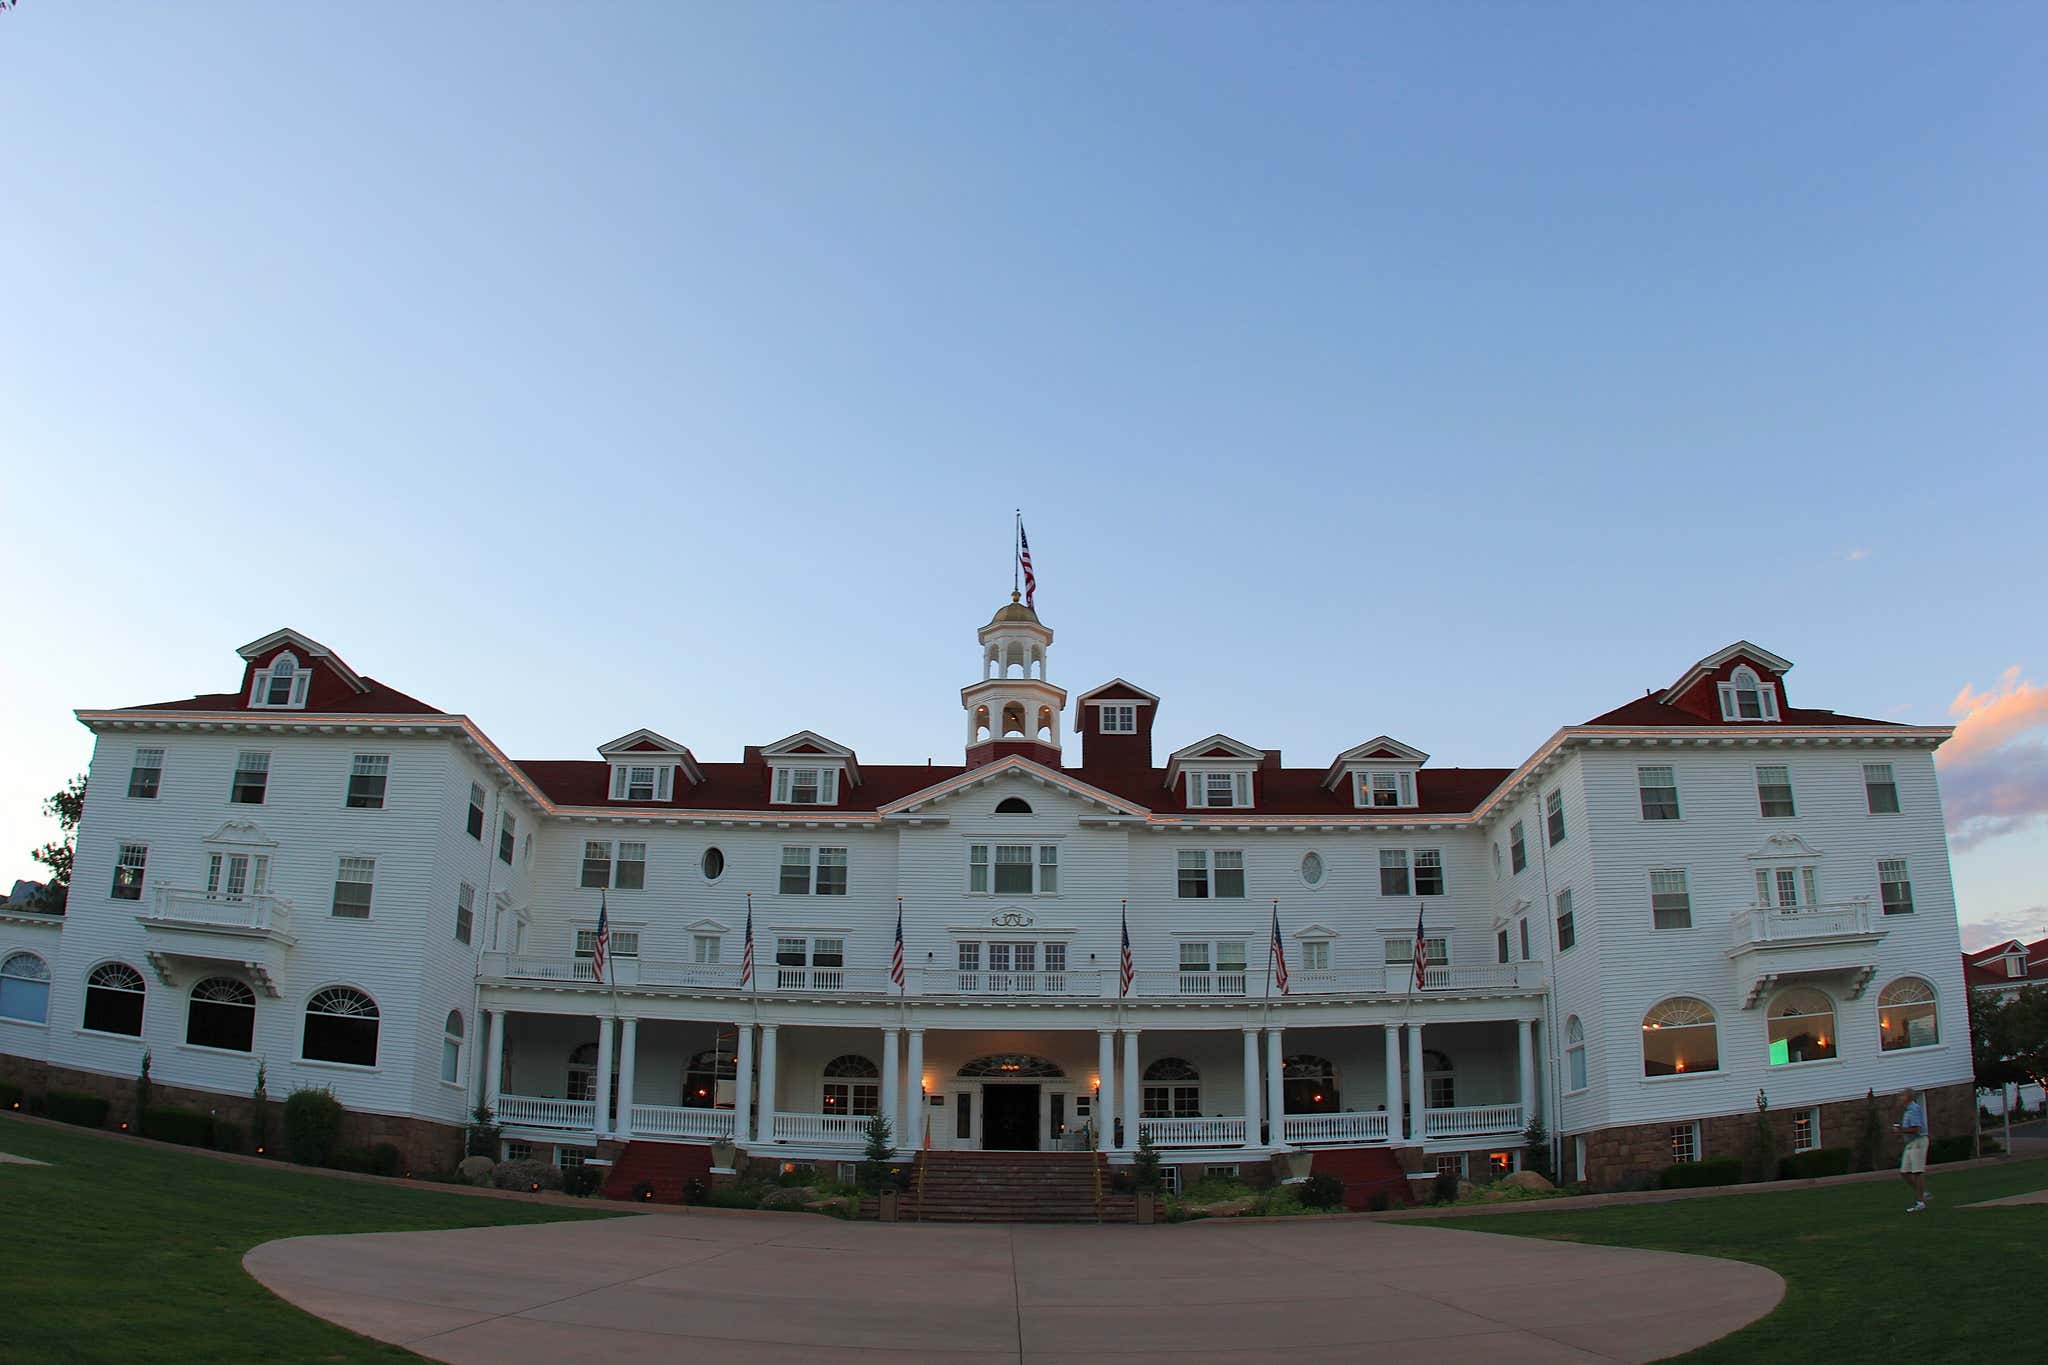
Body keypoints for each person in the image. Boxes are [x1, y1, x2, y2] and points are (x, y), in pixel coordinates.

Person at [1896, 1086, 1930, 1212]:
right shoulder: (1907, 1110)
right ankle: (1922, 1193)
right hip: (1910, 1143)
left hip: (1918, 1141)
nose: (1900, 1098)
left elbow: (1916, 1129)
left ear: (1908, 1097)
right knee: (1904, 1172)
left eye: (1902, 1096)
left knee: (1917, 1171)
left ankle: (1920, 1202)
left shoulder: (1914, 1109)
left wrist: (1900, 1130)